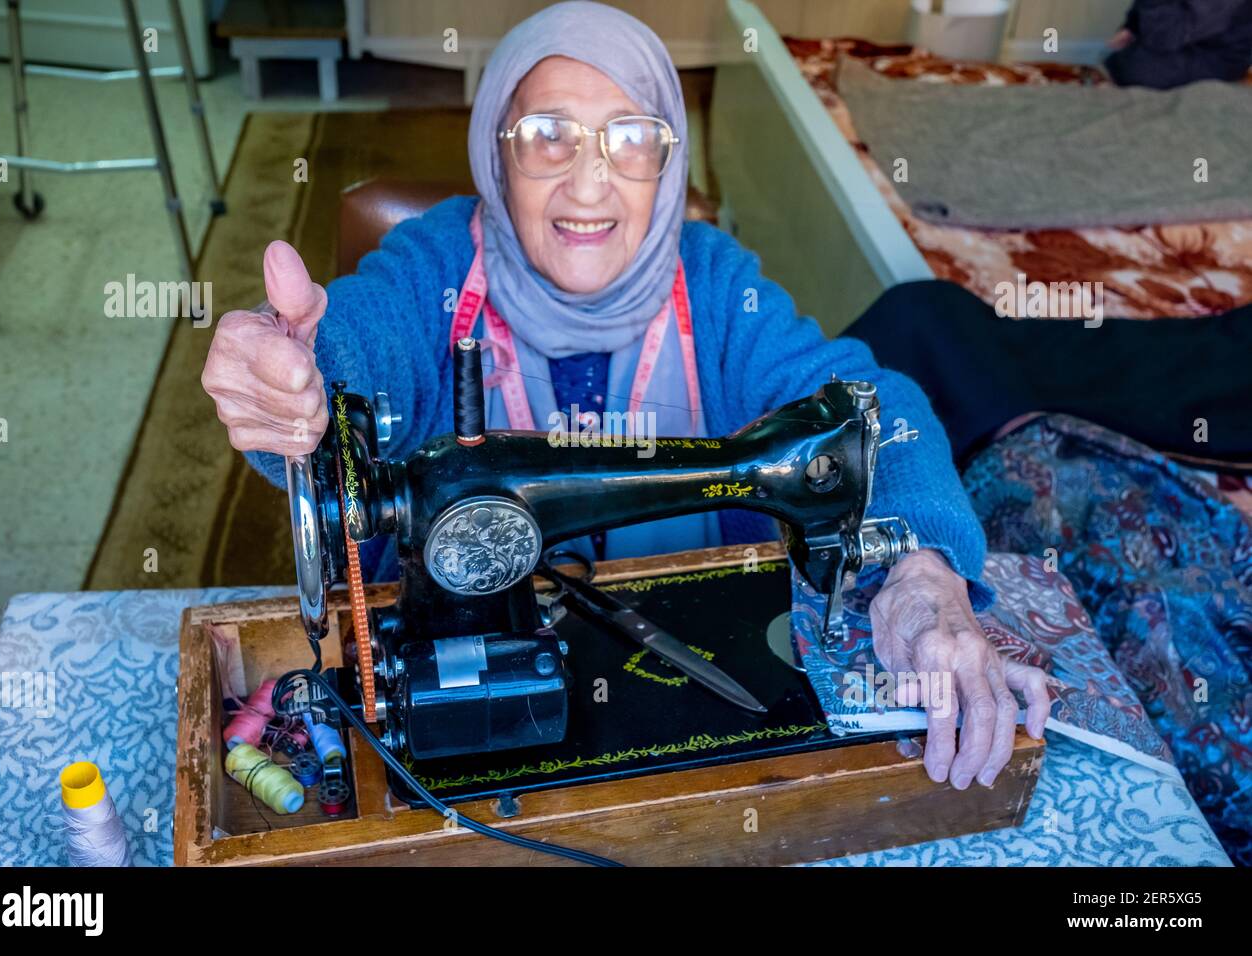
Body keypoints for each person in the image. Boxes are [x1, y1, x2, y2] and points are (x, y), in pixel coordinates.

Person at [201, 1, 1049, 791]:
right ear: (497, 148)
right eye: (547, 136)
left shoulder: (717, 286)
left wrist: (920, 571)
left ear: (667, 161)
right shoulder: (432, 270)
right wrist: (299, 384)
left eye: (631, 139)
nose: (589, 184)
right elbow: (354, 355)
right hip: (451, 708)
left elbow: (876, 411)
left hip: (688, 701)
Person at [1107, 0, 1252, 89]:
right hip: (1185, 35)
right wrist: (1132, 25)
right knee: (1125, 58)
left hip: (1218, 56)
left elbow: (1166, 36)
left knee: (1132, 67)